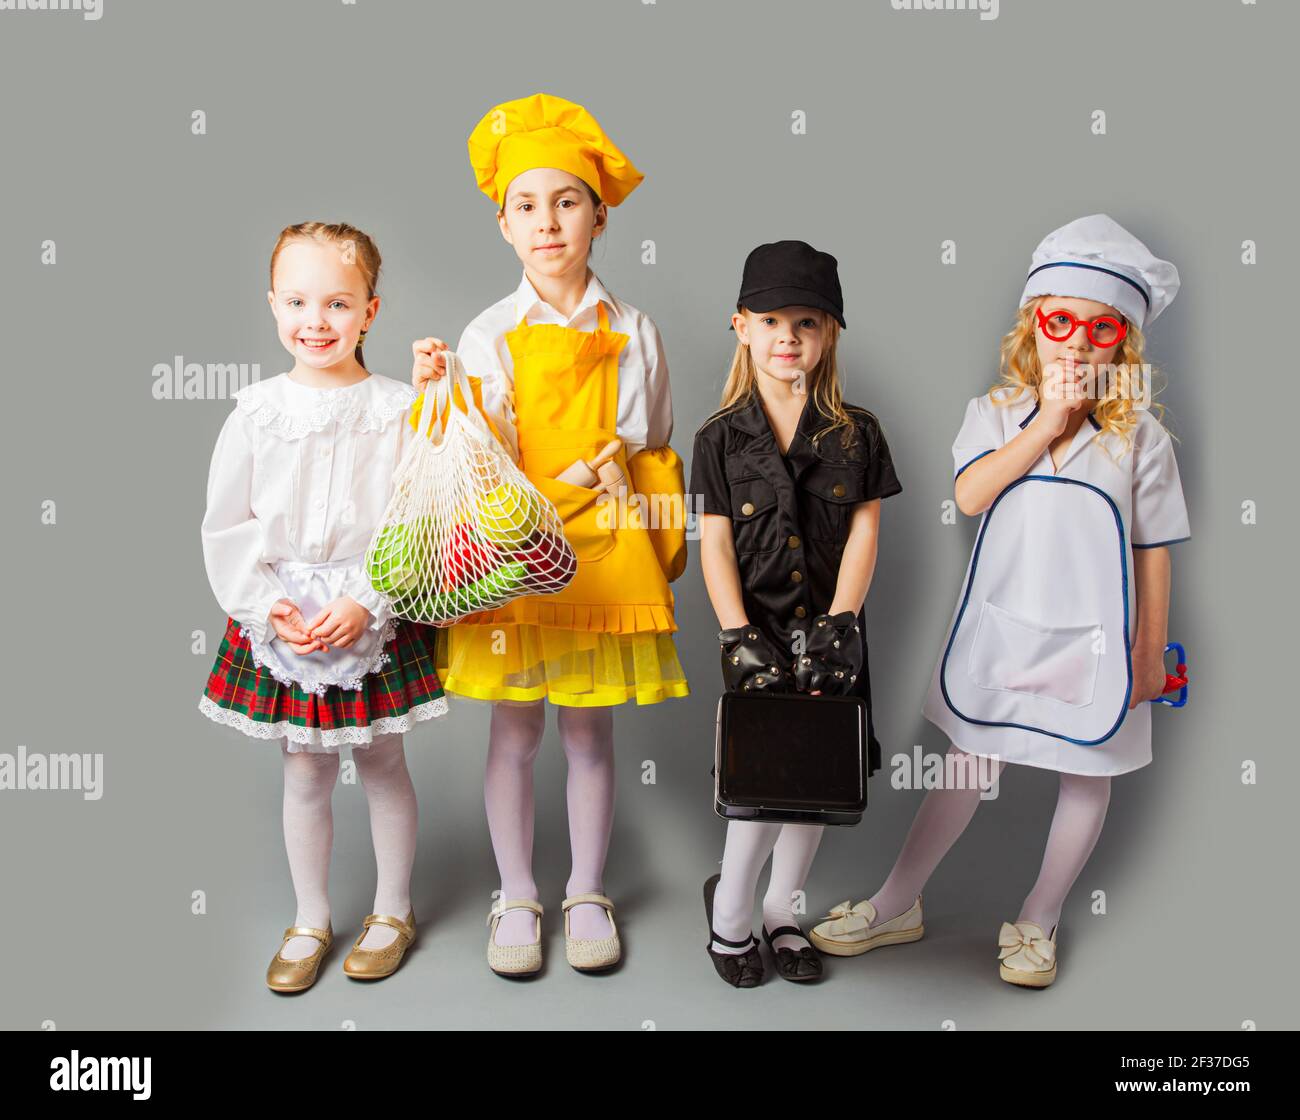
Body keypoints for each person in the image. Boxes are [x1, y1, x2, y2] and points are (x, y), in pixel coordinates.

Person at [812, 215, 1189, 988]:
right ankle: (897, 901)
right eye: (1060, 323)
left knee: (1090, 773)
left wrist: (1148, 653)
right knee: (967, 764)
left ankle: (1039, 916)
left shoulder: (1140, 439)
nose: (1078, 344)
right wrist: (1048, 422)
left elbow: (1153, 553)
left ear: (1124, 342)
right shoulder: (992, 414)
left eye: (1101, 328)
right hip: (1007, 630)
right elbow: (973, 494)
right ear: (1034, 327)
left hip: (1099, 643)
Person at [411, 94, 689, 976]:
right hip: (520, 555)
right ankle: (519, 895)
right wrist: (437, 397)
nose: (548, 223)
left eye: (567, 201)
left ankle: (588, 891)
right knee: (513, 733)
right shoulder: (488, 335)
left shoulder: (633, 329)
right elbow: (478, 460)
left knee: (590, 735)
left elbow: (651, 445)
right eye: (526, 206)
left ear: (599, 216)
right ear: (502, 223)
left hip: (604, 555)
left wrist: (615, 481)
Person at [200, 222, 446, 991]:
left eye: (337, 303)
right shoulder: (254, 412)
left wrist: (370, 598)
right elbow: (226, 522)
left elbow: (419, 514)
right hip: (285, 619)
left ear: (370, 311)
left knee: (382, 762)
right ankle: (311, 917)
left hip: (369, 607)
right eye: (299, 300)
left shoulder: (400, 407)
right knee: (304, 772)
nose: (316, 320)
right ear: (272, 304)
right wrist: (265, 604)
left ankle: (393, 909)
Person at [690, 241, 901, 986]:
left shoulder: (857, 432)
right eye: (772, 319)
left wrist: (842, 623)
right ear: (741, 326)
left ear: (829, 335)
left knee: (814, 784)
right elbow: (715, 544)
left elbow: (866, 530)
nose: (789, 337)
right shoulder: (718, 438)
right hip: (759, 634)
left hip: (834, 633)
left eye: (806, 322)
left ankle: (783, 908)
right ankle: (730, 922)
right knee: (758, 787)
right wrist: (736, 633)